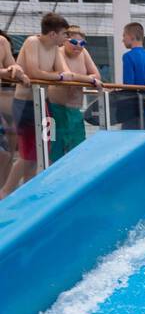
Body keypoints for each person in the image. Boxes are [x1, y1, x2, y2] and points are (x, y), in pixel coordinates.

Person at [0, 13, 69, 199]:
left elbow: (64, 72)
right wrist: (57, 76)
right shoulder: (32, 42)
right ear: (53, 34)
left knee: (47, 148)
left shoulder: (55, 48)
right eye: (64, 34)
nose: (66, 38)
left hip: (44, 104)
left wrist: (56, 75)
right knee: (28, 154)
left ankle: (30, 192)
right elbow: (33, 71)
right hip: (25, 105)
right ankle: (5, 192)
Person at [47, 25, 102, 162]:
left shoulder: (83, 53)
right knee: (53, 149)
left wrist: (90, 78)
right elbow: (68, 75)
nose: (78, 46)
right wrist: (89, 79)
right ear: (65, 40)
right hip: (53, 111)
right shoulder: (57, 52)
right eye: (73, 42)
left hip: (74, 111)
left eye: (82, 43)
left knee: (78, 150)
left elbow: (97, 75)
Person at [0, 30, 29, 186]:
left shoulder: (3, 42)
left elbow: (14, 66)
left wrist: (18, 72)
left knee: (7, 154)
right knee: (4, 154)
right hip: (8, 103)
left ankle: (4, 193)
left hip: (9, 106)